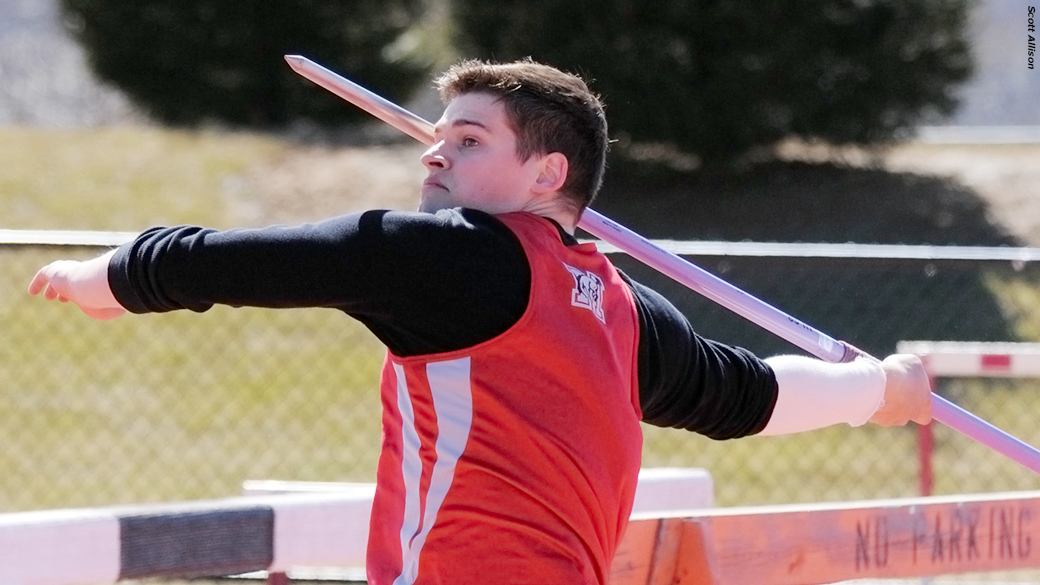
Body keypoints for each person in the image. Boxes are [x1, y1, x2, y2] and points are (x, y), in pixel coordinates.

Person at [28, 59, 931, 585]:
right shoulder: (621, 307)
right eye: (438, 135)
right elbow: (750, 395)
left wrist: (102, 277)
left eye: (467, 140)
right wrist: (879, 390)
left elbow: (236, 261)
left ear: (546, 174)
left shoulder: (449, 256)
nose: (434, 152)